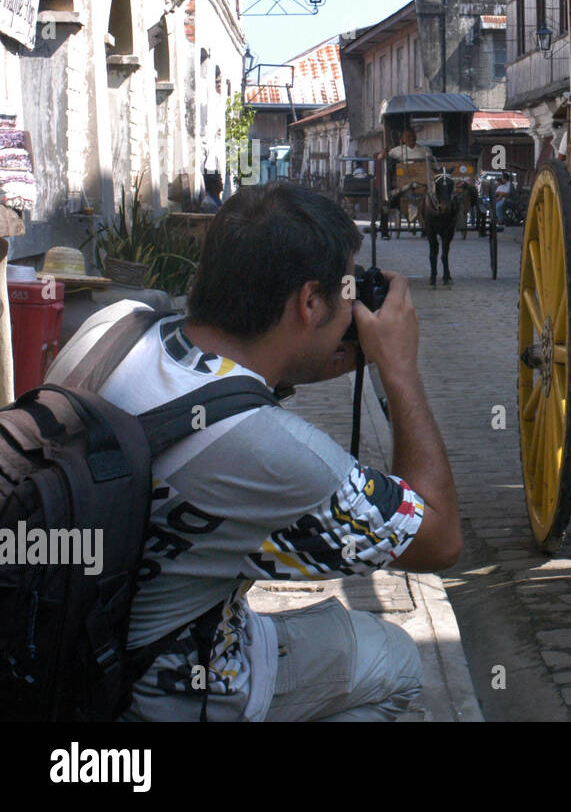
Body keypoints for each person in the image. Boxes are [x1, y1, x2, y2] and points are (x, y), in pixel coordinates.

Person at [47, 182, 460, 722]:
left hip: (68, 646)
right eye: (345, 293)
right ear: (309, 301)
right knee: (396, 661)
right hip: (156, 693)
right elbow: (439, 539)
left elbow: (213, 388)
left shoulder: (114, 325)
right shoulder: (277, 455)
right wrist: (399, 368)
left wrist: (307, 356)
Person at [381, 127, 432, 238]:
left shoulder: (424, 150)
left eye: (413, 135)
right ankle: (384, 232)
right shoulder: (396, 151)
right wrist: (383, 154)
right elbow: (382, 157)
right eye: (408, 136)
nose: (411, 138)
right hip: (404, 186)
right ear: (403, 139)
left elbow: (431, 162)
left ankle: (427, 228)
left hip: (423, 185)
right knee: (386, 204)